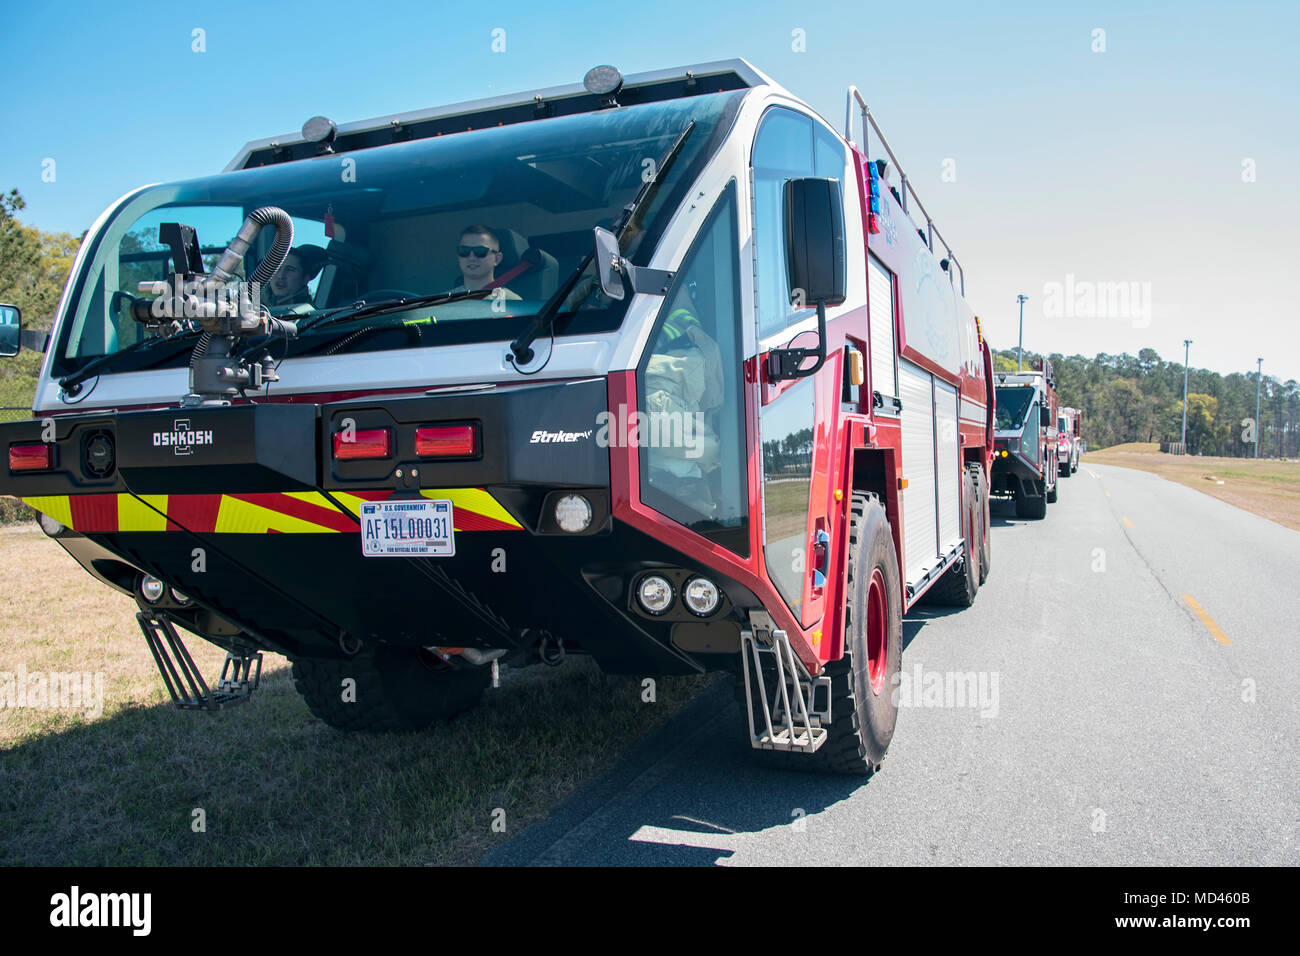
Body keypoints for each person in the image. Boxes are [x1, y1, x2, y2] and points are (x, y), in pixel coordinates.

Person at [448, 225, 520, 300]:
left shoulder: (512, 302)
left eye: (480, 251)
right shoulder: (441, 303)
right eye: (464, 251)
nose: (471, 258)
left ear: (497, 259)